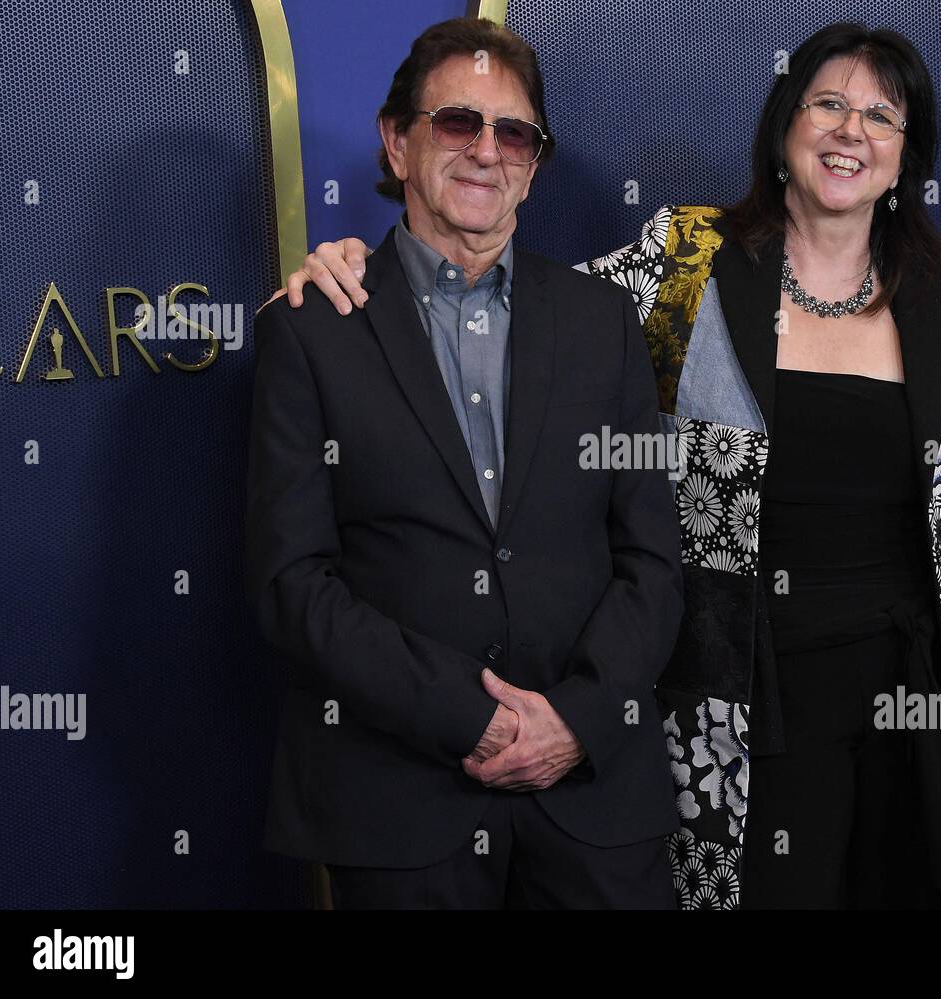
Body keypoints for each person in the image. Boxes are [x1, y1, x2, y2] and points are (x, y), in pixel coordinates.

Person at [281, 21, 941, 910]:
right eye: (829, 104)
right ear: (784, 126)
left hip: (925, 705)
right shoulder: (686, 263)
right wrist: (352, 276)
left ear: (905, 157)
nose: (852, 131)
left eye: (882, 116)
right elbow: (496, 304)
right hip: (741, 710)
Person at [245, 16, 684, 909]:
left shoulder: (603, 323)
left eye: (512, 132)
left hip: (595, 796)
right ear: (396, 143)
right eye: (456, 122)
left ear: (532, 165)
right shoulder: (310, 329)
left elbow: (654, 561)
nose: (486, 150)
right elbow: (293, 584)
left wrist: (575, 718)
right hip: (399, 805)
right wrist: (469, 717)